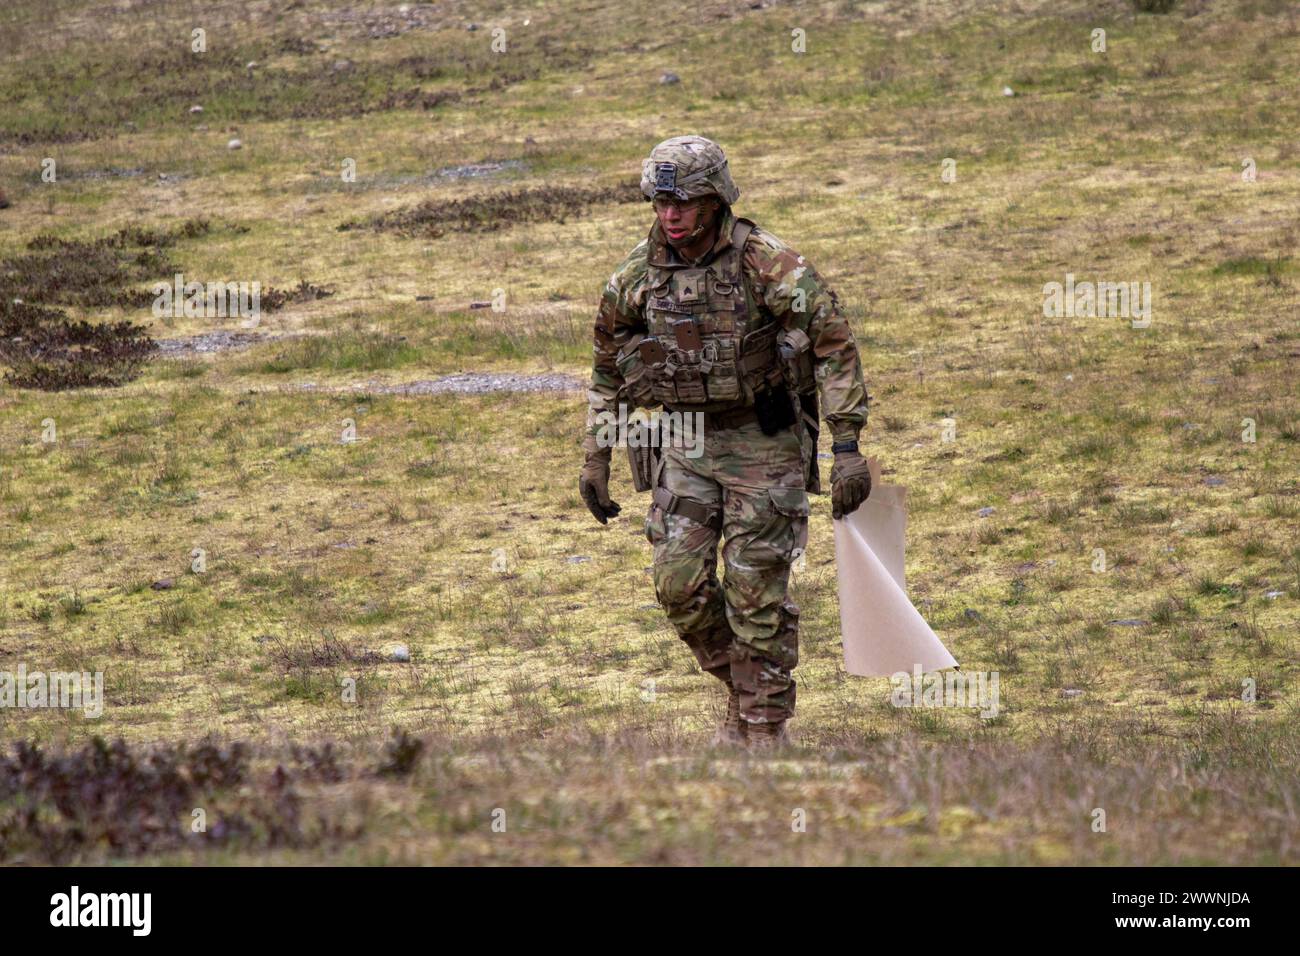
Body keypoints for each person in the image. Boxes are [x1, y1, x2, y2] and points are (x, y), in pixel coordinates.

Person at [579, 135, 871, 749]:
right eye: (660, 204)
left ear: (715, 200)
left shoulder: (766, 263)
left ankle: (764, 736)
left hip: (763, 444)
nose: (671, 215)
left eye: (683, 203)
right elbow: (609, 368)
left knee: (754, 592)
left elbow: (834, 344)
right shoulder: (636, 276)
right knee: (677, 585)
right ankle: (745, 693)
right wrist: (596, 457)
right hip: (683, 441)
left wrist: (846, 448)